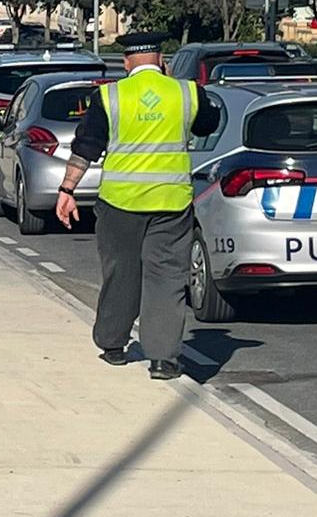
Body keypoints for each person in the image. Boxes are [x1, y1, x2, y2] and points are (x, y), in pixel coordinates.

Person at [55, 31, 219, 381]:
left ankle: (113, 344)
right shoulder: (187, 93)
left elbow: (86, 146)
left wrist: (67, 189)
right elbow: (210, 123)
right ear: (162, 61)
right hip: (171, 203)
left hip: (119, 204)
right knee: (167, 279)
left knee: (121, 273)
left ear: (127, 62)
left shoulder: (110, 96)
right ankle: (163, 359)